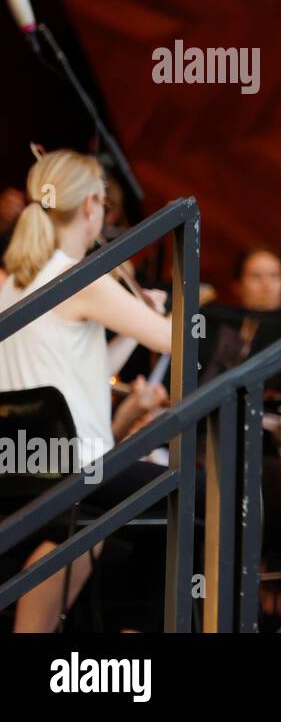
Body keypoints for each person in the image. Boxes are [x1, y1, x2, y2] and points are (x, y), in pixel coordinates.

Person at [0, 149, 172, 631]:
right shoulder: (83, 280)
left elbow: (77, 369)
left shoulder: (11, 279)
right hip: (76, 465)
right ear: (94, 204)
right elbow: (171, 338)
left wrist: (127, 327)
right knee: (191, 496)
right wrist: (170, 313)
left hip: (21, 461)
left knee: (83, 529)